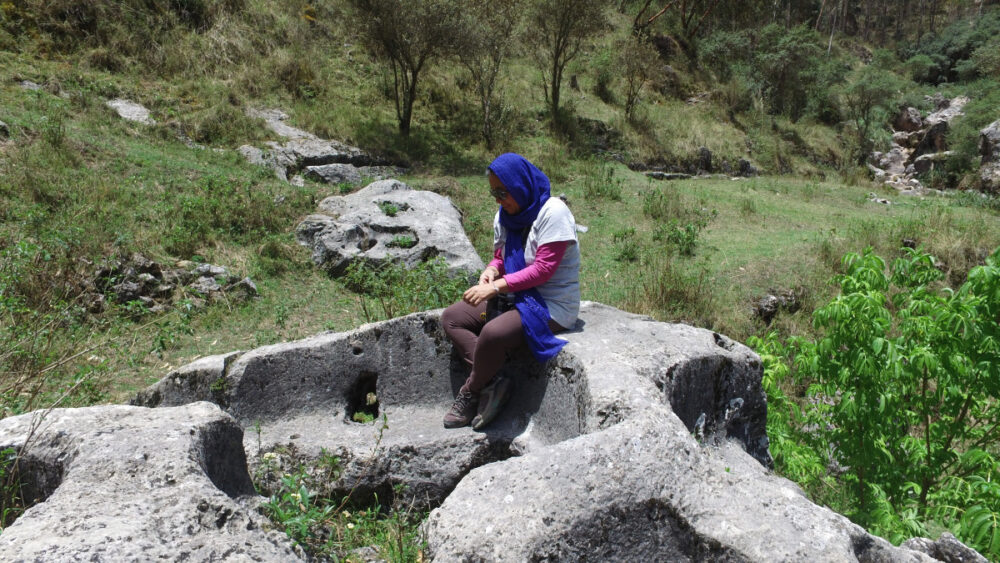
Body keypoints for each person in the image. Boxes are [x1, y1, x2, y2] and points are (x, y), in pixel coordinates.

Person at [441, 153, 580, 430]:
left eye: (502, 192)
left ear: (520, 186)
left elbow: (543, 270)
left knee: (492, 334)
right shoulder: (505, 215)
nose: (497, 199)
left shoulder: (554, 213)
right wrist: (492, 270)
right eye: (494, 192)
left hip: (551, 303)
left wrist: (494, 287)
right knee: (452, 318)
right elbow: (502, 257)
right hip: (515, 296)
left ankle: (470, 392)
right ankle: (492, 382)